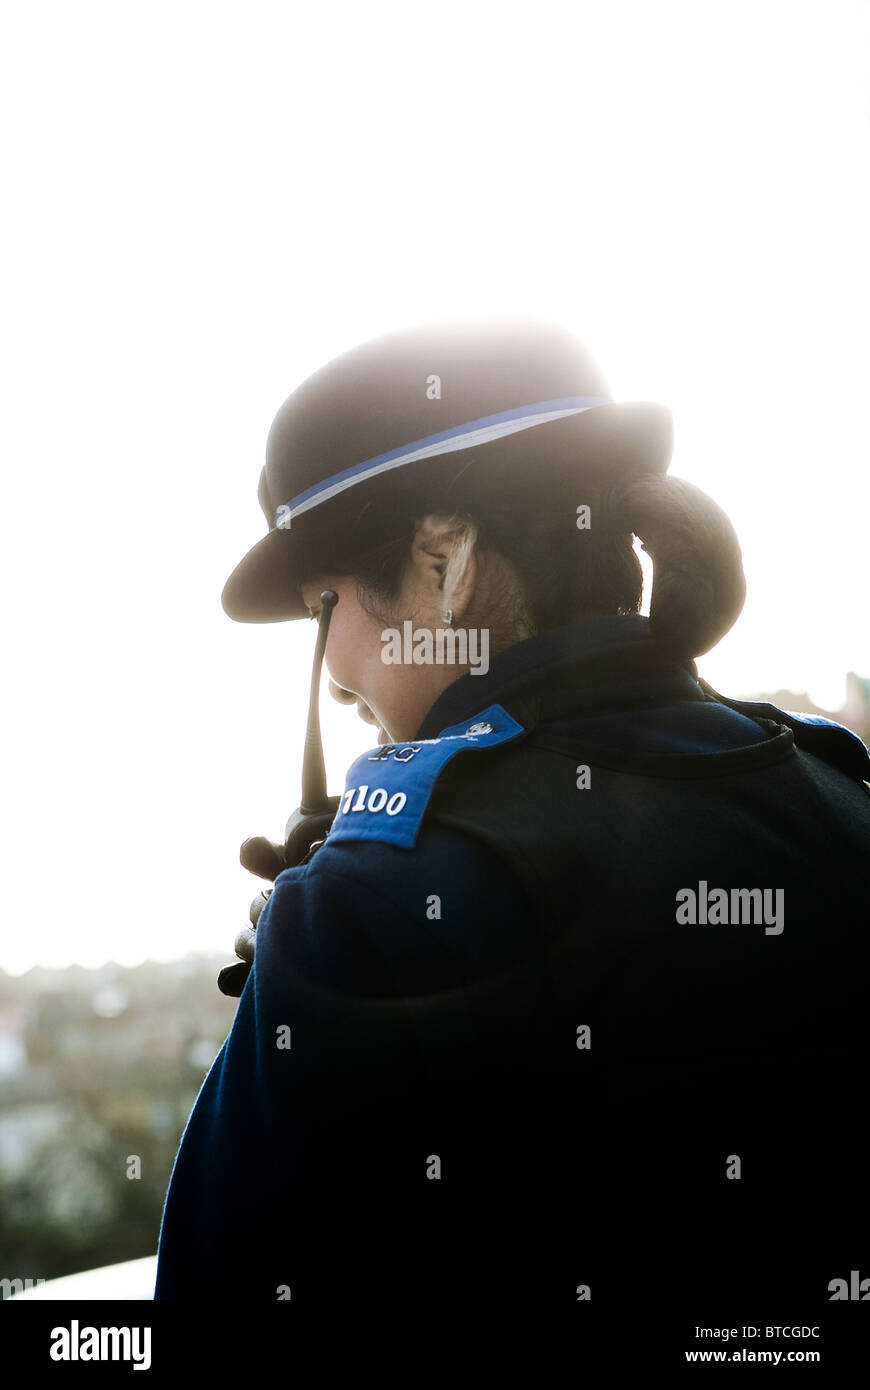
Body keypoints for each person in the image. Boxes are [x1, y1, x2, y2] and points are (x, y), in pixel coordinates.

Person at [154, 318, 870, 1307]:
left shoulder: (373, 906)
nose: (333, 684)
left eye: (326, 611)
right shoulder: (841, 793)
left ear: (444, 562)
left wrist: (334, 934)